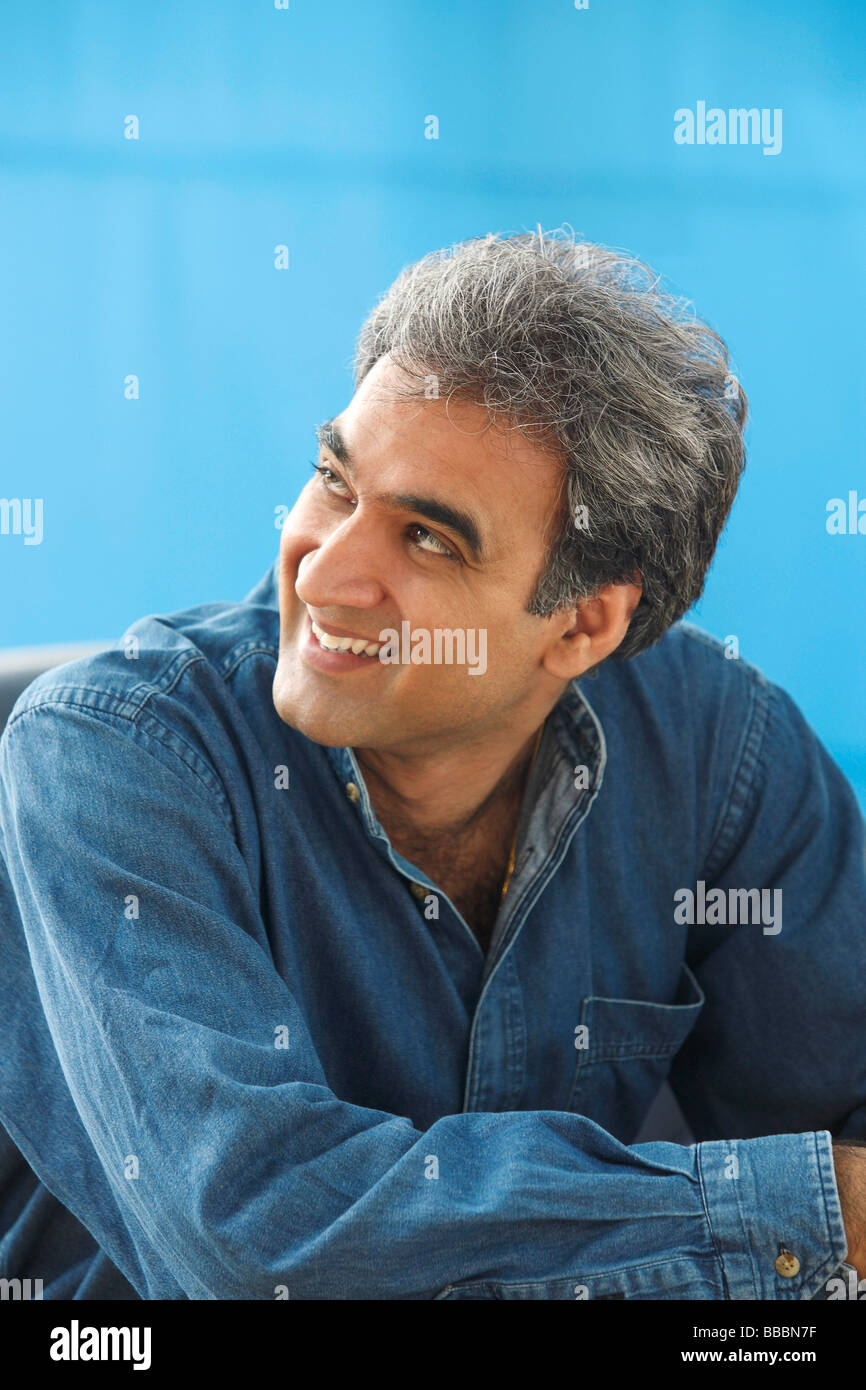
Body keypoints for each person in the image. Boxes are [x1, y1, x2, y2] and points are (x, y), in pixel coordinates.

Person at [1, 230, 864, 1301]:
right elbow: (254, 1238)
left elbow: (848, 1135)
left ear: (582, 625)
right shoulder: (110, 754)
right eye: (334, 480)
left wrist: (805, 1215)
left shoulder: (719, 748)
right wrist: (777, 1214)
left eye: (427, 540)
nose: (326, 569)